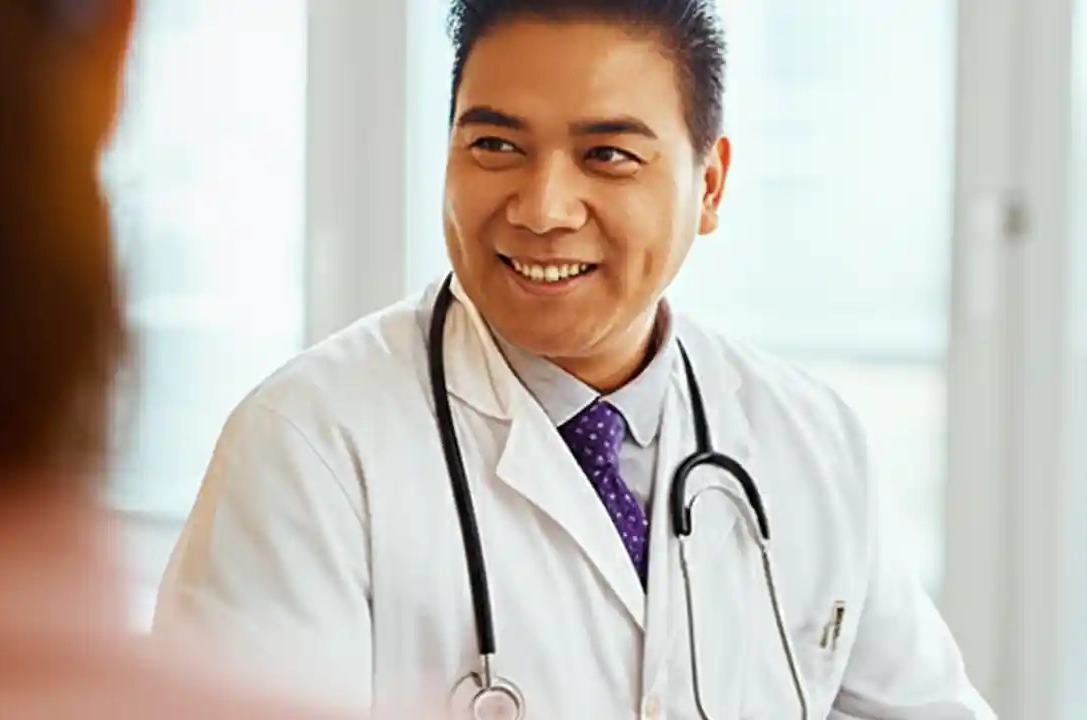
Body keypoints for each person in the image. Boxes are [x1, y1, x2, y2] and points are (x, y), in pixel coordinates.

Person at [156, 0, 996, 717]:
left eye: (608, 156)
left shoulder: (807, 440)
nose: (543, 207)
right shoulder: (310, 449)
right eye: (495, 147)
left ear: (709, 186)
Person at [0, 2, 327, 718]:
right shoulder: (300, 428)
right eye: (496, 144)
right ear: (117, 47)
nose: (547, 210)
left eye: (585, 152)